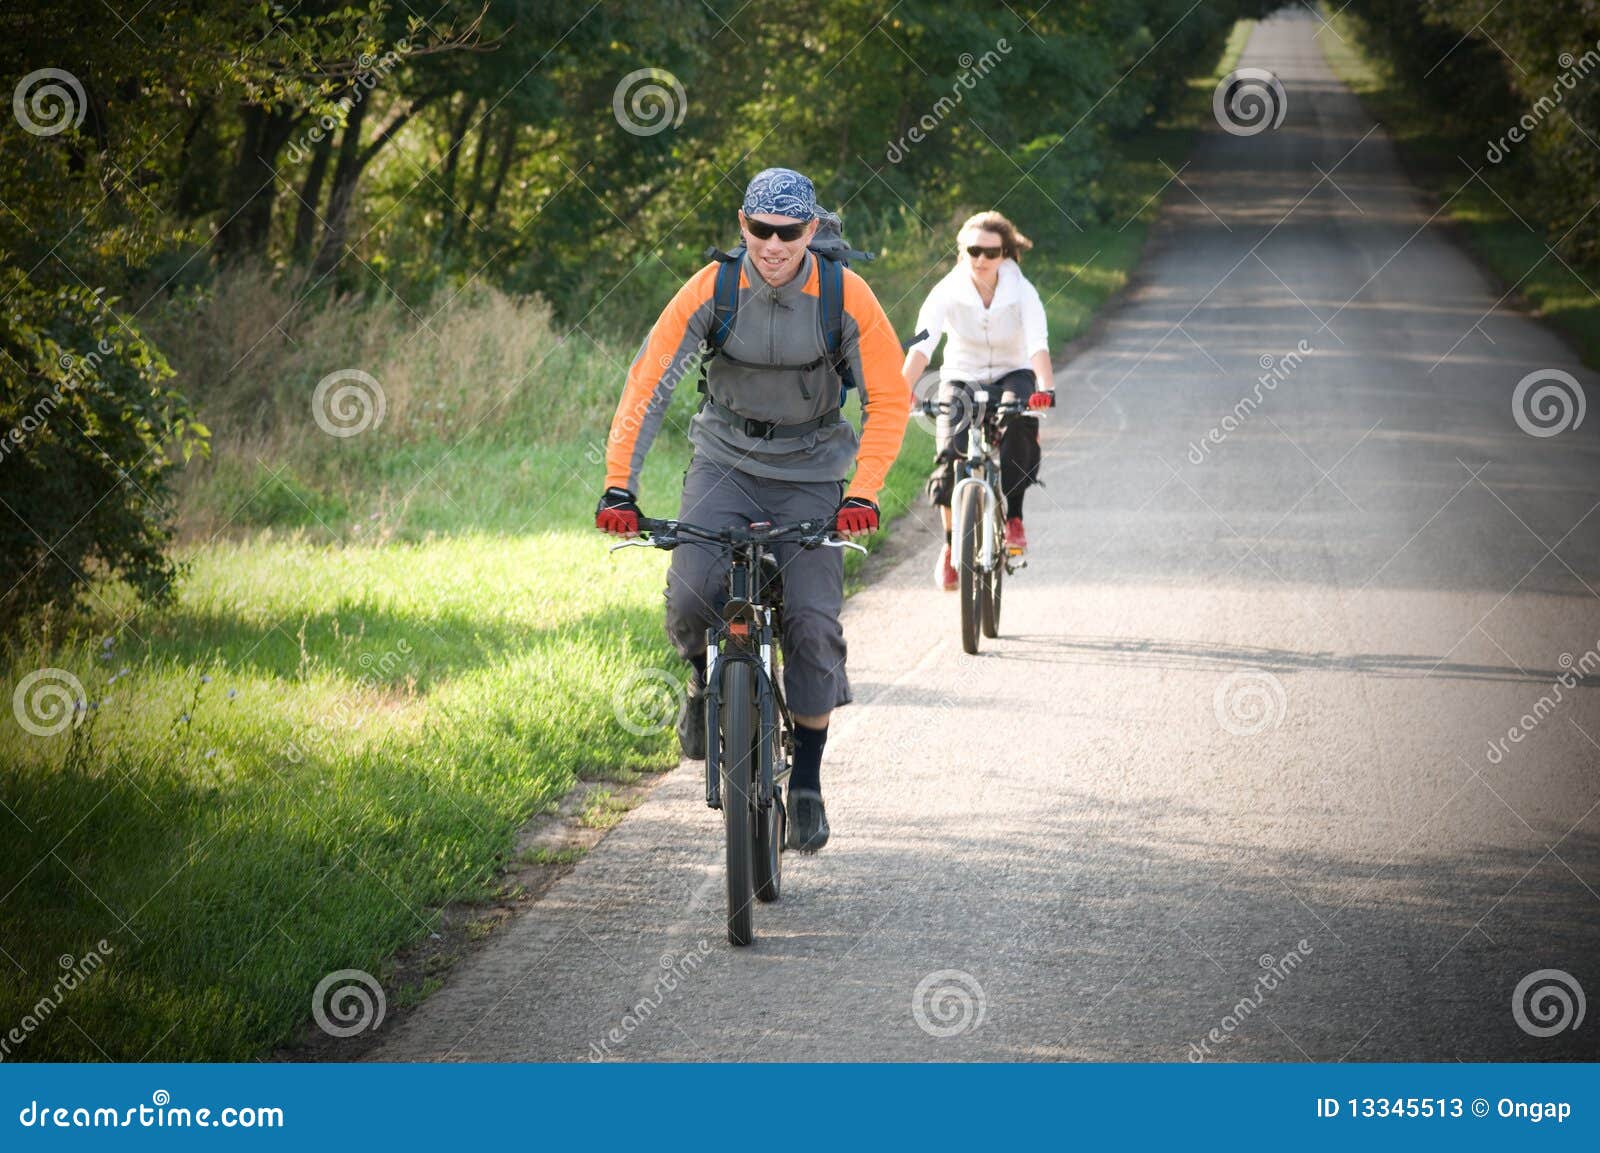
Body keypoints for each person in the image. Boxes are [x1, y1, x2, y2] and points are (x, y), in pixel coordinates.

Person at [595, 167, 909, 852]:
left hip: (813, 470)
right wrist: (620, 484)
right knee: (689, 593)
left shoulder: (843, 294)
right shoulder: (713, 287)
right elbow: (650, 382)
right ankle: (704, 683)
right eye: (761, 230)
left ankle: (808, 783)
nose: (773, 245)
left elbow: (889, 397)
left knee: (812, 624)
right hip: (725, 464)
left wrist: (864, 490)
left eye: (789, 232)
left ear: (811, 231)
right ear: (743, 225)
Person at [901, 211, 1054, 591]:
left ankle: (1014, 517)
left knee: (1019, 419)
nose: (982, 259)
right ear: (962, 252)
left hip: (1012, 372)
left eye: (990, 251)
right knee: (950, 449)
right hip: (962, 374)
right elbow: (924, 343)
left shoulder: (1022, 291)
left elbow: (1037, 343)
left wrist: (1045, 388)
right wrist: (903, 386)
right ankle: (952, 546)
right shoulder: (948, 290)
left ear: (1005, 253)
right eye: (973, 251)